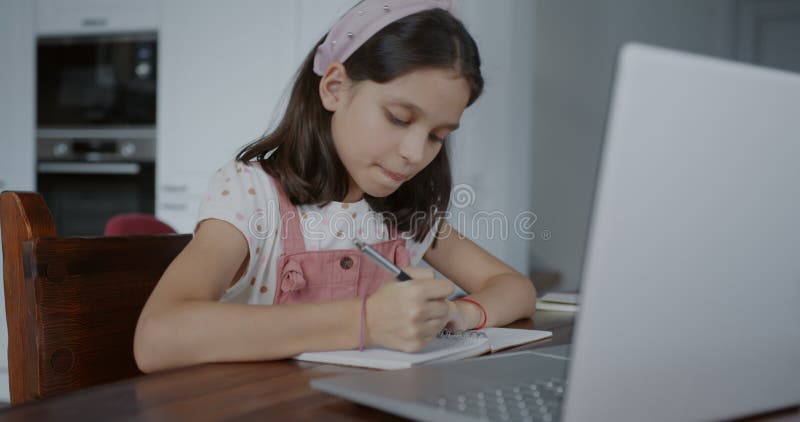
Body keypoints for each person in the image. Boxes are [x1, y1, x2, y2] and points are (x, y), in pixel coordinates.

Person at [134, 0, 536, 373]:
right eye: (399, 118)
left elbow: (515, 288)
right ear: (334, 88)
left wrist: (457, 316)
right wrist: (367, 321)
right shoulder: (251, 194)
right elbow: (158, 337)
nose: (415, 153)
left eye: (437, 135)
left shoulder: (404, 210)